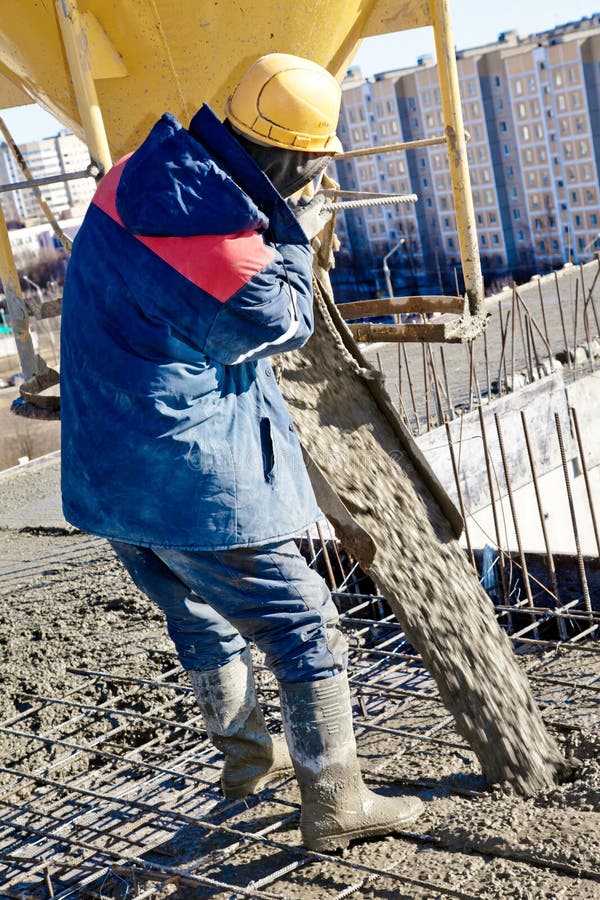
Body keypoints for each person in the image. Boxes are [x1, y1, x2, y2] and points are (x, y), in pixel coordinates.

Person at [60, 53, 422, 852]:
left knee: (196, 612)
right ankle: (336, 802)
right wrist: (297, 236)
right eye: (314, 169)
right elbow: (285, 322)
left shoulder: (133, 179)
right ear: (295, 161)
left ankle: (247, 765)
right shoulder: (229, 258)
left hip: (106, 470)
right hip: (184, 476)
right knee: (304, 621)